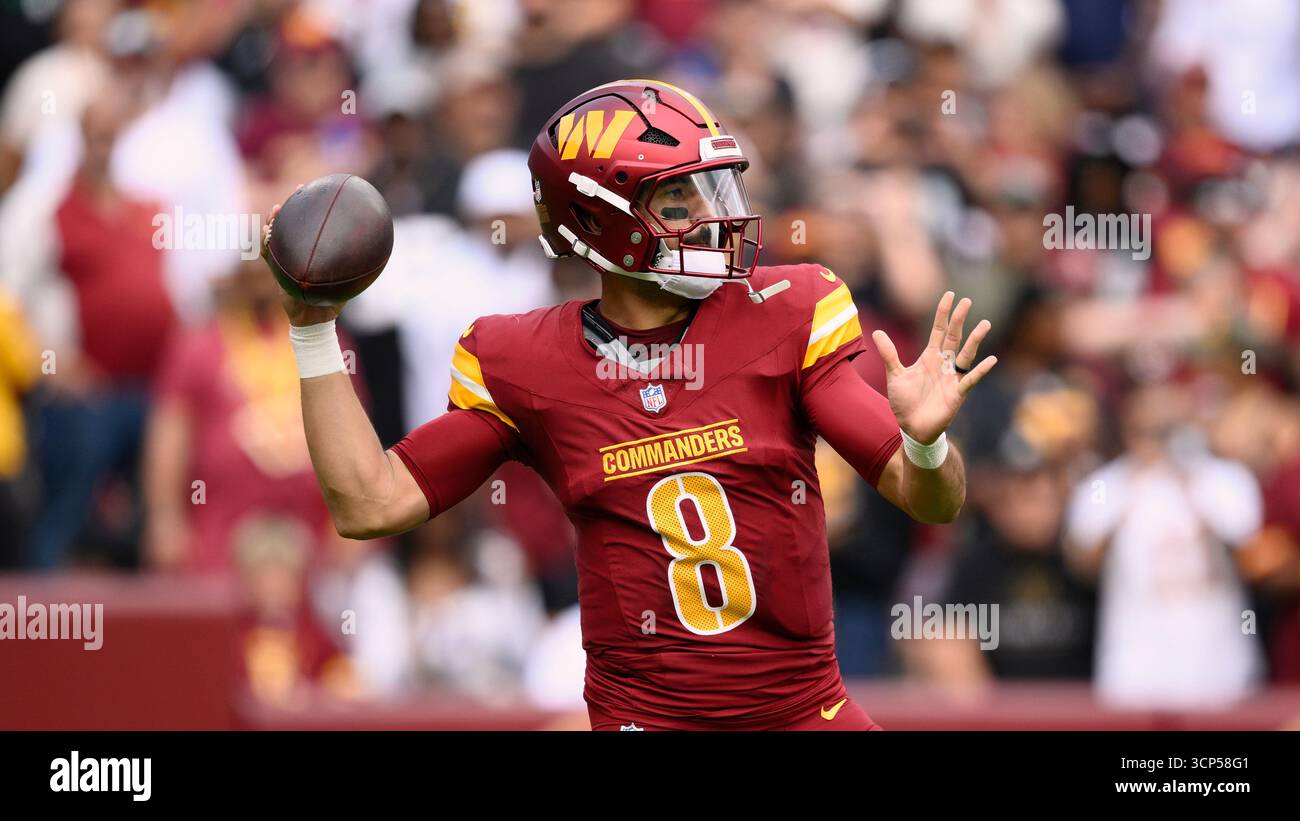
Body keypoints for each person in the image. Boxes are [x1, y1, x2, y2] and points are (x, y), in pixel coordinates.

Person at [263, 80, 997, 731]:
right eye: (680, 198)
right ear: (598, 218)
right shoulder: (524, 362)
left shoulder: (787, 311)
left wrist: (927, 444)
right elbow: (368, 503)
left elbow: (928, 498)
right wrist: (314, 331)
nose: (712, 217)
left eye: (715, 191)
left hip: (803, 713)